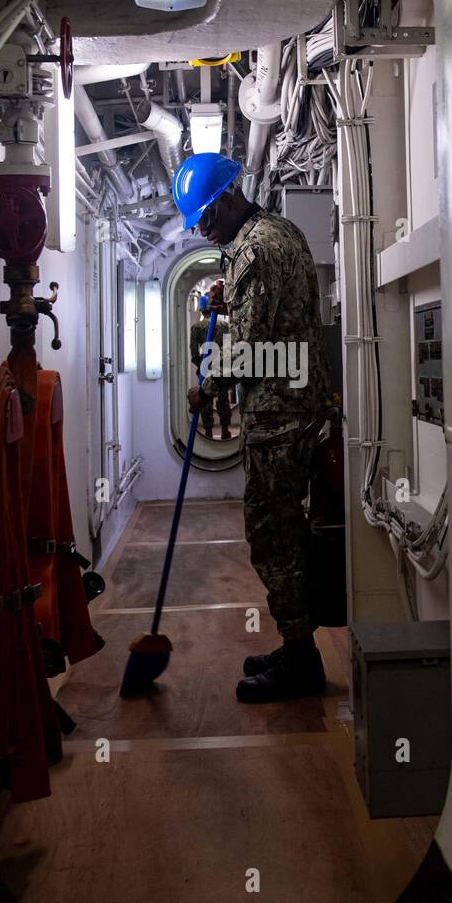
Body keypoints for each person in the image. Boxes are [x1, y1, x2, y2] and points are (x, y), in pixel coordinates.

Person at [172, 151, 331, 703]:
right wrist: (229, 298)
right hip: (296, 406)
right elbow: (267, 317)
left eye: (206, 220)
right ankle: (296, 646)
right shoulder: (277, 229)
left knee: (272, 534)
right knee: (285, 528)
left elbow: (246, 348)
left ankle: (302, 661)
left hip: (277, 415)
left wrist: (206, 388)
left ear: (226, 199)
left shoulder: (253, 251)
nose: (204, 231)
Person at [190, 294, 232, 440]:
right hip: (223, 364)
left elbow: (194, 351)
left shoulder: (196, 327)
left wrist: (199, 364)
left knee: (205, 398)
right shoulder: (225, 325)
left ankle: (208, 431)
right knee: (223, 398)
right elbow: (229, 347)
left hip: (206, 364)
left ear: (201, 310)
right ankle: (225, 429)